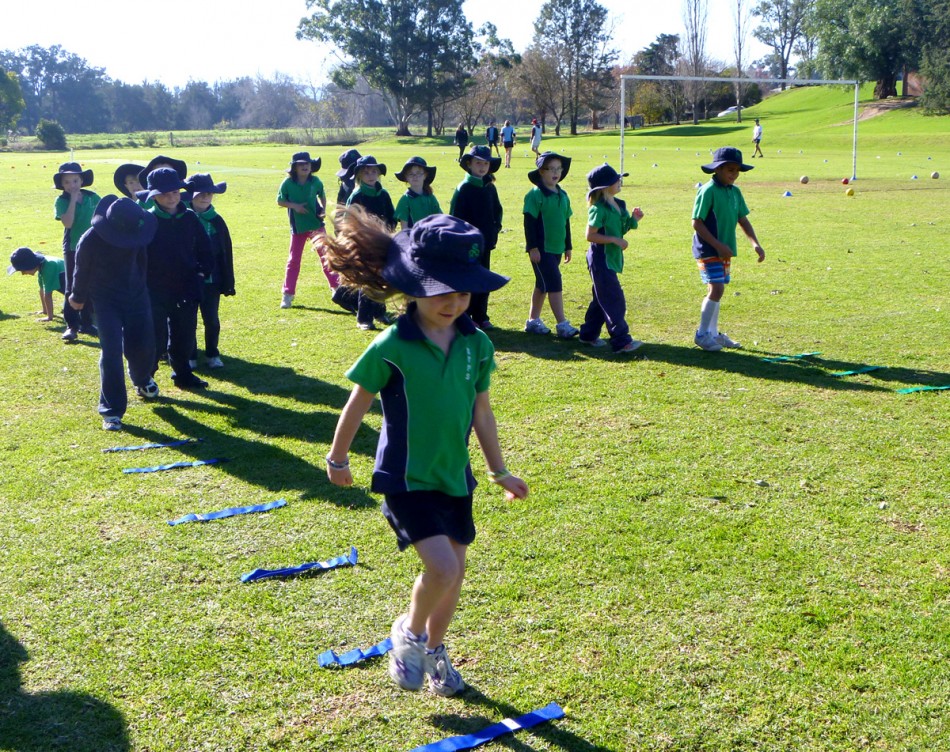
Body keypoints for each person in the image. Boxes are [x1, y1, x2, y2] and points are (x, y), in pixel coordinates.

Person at [319, 210, 528, 697]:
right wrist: (337, 458)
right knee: (443, 569)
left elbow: (481, 411)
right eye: (441, 292)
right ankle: (409, 637)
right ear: (413, 289)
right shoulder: (392, 344)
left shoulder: (477, 344)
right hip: (406, 478)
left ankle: (434, 651)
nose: (454, 302)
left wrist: (498, 470)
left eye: (464, 292)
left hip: (454, 476)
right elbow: (358, 403)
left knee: (454, 577)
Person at [69, 196, 160, 430]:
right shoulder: (90, 239)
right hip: (105, 300)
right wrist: (77, 297)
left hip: (136, 295)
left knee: (143, 343)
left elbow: (143, 262)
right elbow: (81, 270)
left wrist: (144, 288)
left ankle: (142, 379)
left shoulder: (138, 233)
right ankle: (111, 410)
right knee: (111, 351)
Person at [136, 168, 213, 388]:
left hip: (186, 287)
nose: (172, 197)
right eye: (165, 193)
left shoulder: (189, 217)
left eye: (175, 192)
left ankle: (183, 375)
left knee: (184, 335)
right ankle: (146, 378)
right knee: (156, 337)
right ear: (154, 196)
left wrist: (201, 273)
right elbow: (137, 254)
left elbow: (205, 249)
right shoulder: (148, 220)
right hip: (155, 289)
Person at [691, 147, 766, 351]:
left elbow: (743, 219)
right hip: (708, 248)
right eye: (730, 170)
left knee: (716, 289)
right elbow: (697, 222)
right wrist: (718, 245)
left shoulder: (735, 192)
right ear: (718, 169)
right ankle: (702, 334)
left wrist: (755, 244)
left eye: (737, 170)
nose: (734, 174)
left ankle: (714, 334)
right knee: (717, 289)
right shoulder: (708, 191)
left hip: (724, 250)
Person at [578, 164, 644, 354]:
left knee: (602, 298)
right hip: (600, 258)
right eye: (616, 180)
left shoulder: (619, 205)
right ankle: (621, 341)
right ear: (605, 186)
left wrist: (633, 220)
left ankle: (588, 334)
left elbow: (620, 229)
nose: (620, 181)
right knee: (613, 298)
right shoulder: (598, 209)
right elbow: (590, 235)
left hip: (611, 258)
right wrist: (614, 240)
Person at [523, 151, 579, 338]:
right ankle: (562, 325)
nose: (555, 172)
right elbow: (529, 223)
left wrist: (568, 246)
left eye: (558, 169)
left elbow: (566, 222)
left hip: (556, 249)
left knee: (542, 285)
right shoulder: (535, 195)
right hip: (541, 250)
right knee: (554, 283)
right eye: (551, 169)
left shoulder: (563, 195)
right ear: (541, 171)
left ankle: (533, 321)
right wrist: (532, 248)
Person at [184, 173, 234, 370]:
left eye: (209, 194)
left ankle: (212, 354)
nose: (205, 197)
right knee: (189, 321)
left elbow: (225, 252)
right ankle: (190, 355)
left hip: (211, 281)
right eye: (200, 194)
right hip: (188, 281)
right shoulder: (183, 218)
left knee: (211, 320)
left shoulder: (216, 221)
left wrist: (227, 281)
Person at [449, 146, 503, 330]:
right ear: (469, 164)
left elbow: (497, 211)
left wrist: (494, 230)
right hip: (467, 245)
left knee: (483, 278)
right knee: (468, 281)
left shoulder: (490, 187)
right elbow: (455, 218)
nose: (482, 167)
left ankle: (481, 315)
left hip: (485, 243)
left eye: (486, 163)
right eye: (478, 163)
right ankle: (465, 316)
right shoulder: (463, 188)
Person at [277, 151, 337, 309]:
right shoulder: (287, 183)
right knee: (293, 261)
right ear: (294, 168)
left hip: (316, 225)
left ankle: (337, 288)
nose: (305, 166)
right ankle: (287, 294)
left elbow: (322, 195)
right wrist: (295, 206)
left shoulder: (316, 181)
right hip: (298, 227)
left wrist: (323, 209)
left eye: (307, 164)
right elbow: (280, 201)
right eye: (301, 164)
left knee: (327, 257)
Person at [345, 155, 396, 330]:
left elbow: (391, 216)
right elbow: (349, 220)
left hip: (382, 242)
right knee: (367, 279)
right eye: (366, 172)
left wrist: (388, 231)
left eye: (374, 171)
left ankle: (380, 312)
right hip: (365, 244)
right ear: (359, 175)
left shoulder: (384, 194)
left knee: (381, 278)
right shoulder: (357, 195)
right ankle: (364, 318)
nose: (370, 175)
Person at [53, 162, 100, 341]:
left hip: (94, 246)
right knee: (72, 285)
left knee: (91, 283)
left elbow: (104, 216)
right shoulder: (61, 201)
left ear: (81, 180)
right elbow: (68, 223)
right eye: (67, 182)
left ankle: (87, 323)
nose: (71, 185)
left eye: (75, 180)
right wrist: (73, 199)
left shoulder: (92, 197)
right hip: (73, 247)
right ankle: (71, 325)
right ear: (62, 185)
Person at [6, 247, 67, 325]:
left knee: (70, 310)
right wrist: (45, 310)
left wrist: (49, 317)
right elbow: (42, 290)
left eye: (23, 270)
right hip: (70, 288)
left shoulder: (49, 266)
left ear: (30, 265)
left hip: (79, 287)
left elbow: (48, 294)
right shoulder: (41, 266)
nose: (23, 273)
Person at [394, 157, 441, 230]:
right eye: (411, 174)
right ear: (406, 177)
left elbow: (440, 219)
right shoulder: (405, 200)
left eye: (418, 173)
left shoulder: (430, 197)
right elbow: (404, 229)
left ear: (425, 175)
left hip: (430, 235)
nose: (415, 176)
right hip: (413, 236)